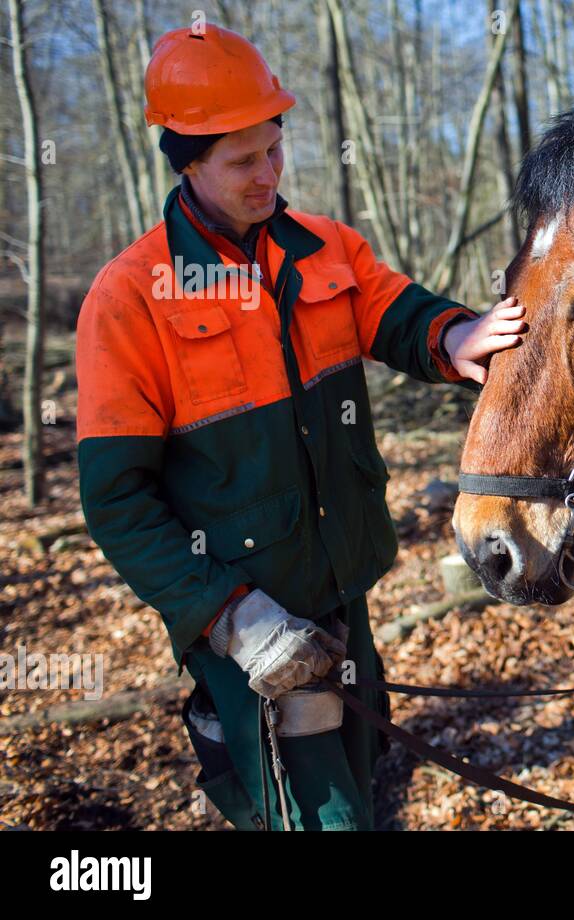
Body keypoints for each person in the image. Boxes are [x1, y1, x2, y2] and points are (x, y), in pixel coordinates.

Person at [75, 23, 524, 830]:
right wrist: (231, 619)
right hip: (251, 626)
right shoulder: (130, 296)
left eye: (275, 149)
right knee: (320, 818)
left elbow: (396, 310)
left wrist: (452, 335)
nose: (269, 174)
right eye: (242, 161)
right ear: (187, 161)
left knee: (366, 784)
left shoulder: (324, 247)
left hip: (342, 594)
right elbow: (116, 500)